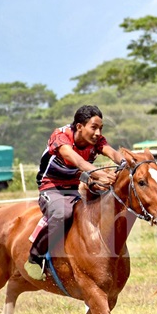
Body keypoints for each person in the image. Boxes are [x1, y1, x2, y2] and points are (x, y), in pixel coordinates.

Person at [25, 105, 124, 280]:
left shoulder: (97, 141)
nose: (98, 133)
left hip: (75, 186)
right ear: (79, 126)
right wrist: (98, 174)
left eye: (101, 128)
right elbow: (76, 160)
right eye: (94, 127)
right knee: (64, 213)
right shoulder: (60, 137)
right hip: (51, 187)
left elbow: (113, 153)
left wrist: (127, 164)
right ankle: (35, 256)